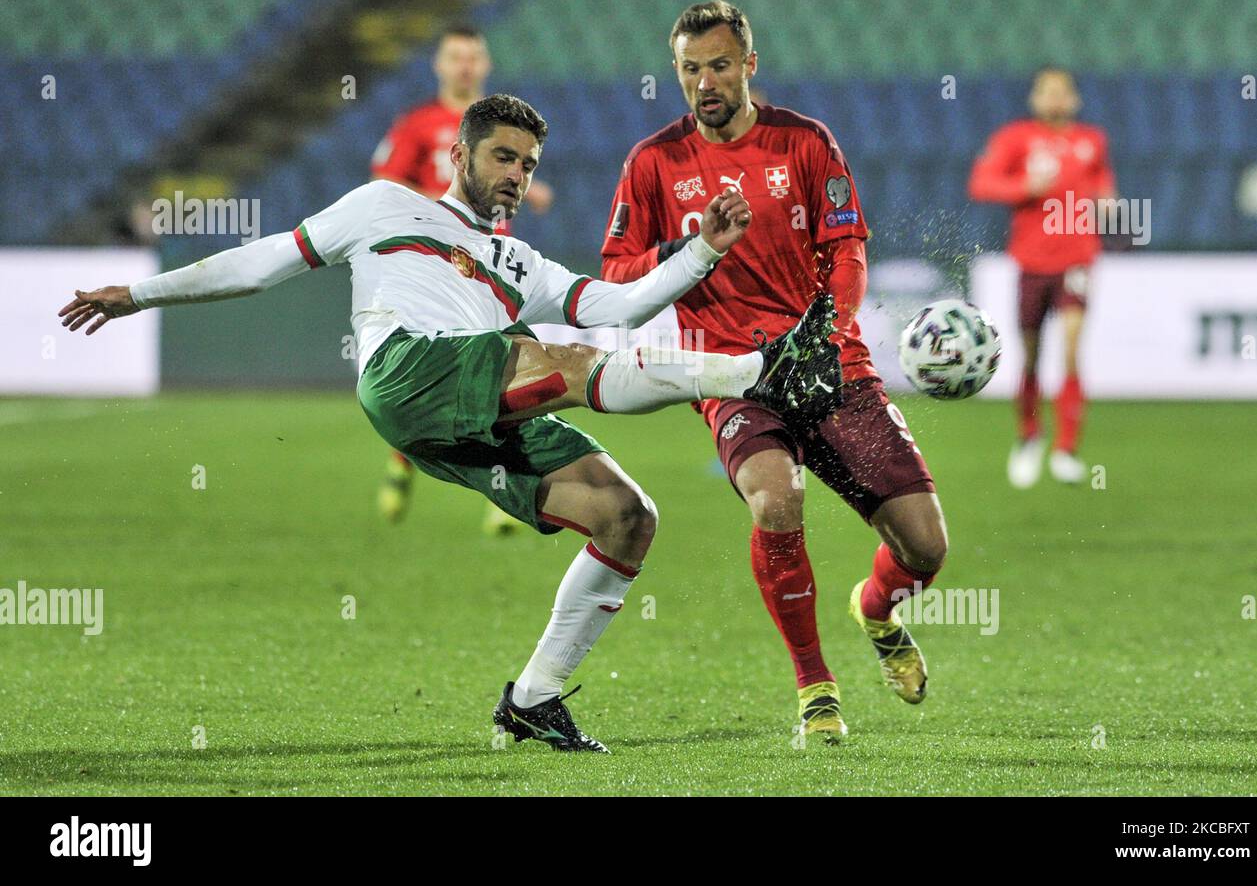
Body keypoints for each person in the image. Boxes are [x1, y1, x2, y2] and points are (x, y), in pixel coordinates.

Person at [59, 94, 842, 753]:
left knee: (628, 515)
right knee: (556, 361)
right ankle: (748, 372)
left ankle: (533, 699)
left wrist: (701, 249)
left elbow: (622, 304)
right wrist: (138, 292)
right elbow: (265, 260)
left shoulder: (519, 263)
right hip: (405, 370)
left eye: (529, 165)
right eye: (503, 157)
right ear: (460, 155)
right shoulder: (384, 205)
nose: (516, 175)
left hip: (465, 410)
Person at [601, 0, 949, 743]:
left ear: (749, 65)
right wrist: (681, 252)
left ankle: (877, 607)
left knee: (926, 547)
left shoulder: (804, 141)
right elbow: (616, 275)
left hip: (826, 362)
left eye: (719, 66)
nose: (705, 83)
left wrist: (831, 327)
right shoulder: (653, 163)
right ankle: (815, 686)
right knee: (774, 499)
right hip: (732, 374)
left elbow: (847, 247)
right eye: (690, 69)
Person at [371, 23, 553, 526]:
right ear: (439, 65)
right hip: (432, 267)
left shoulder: (501, 128)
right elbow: (383, 182)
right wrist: (439, 207)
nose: (465, 66)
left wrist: (531, 191)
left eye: (473, 57)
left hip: (490, 266)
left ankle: (501, 490)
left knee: (502, 367)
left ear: (485, 64)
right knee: (445, 370)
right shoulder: (418, 124)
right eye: (456, 57)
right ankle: (404, 461)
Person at [968, 66, 1116, 487]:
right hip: (1032, 262)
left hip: (1077, 260)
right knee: (1031, 354)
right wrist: (1025, 186)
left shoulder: (1092, 141)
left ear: (1074, 100)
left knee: (1071, 349)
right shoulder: (1016, 138)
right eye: (1046, 92)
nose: (1054, 99)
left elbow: (1103, 182)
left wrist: (1106, 200)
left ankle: (1067, 448)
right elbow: (981, 183)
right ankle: (1029, 437)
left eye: (1061, 92)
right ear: (1035, 98)